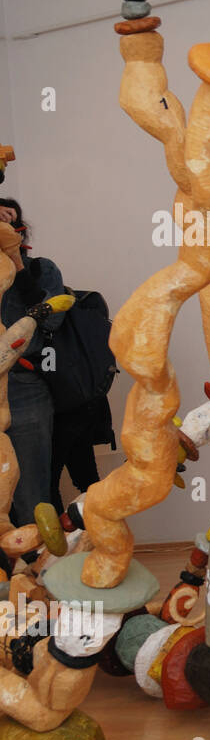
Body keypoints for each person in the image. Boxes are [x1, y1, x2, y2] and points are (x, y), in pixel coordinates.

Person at [0, 198, 68, 535]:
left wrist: (14, 260)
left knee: (31, 499)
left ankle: (35, 583)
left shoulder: (42, 270)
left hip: (24, 387)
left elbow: (50, 321)